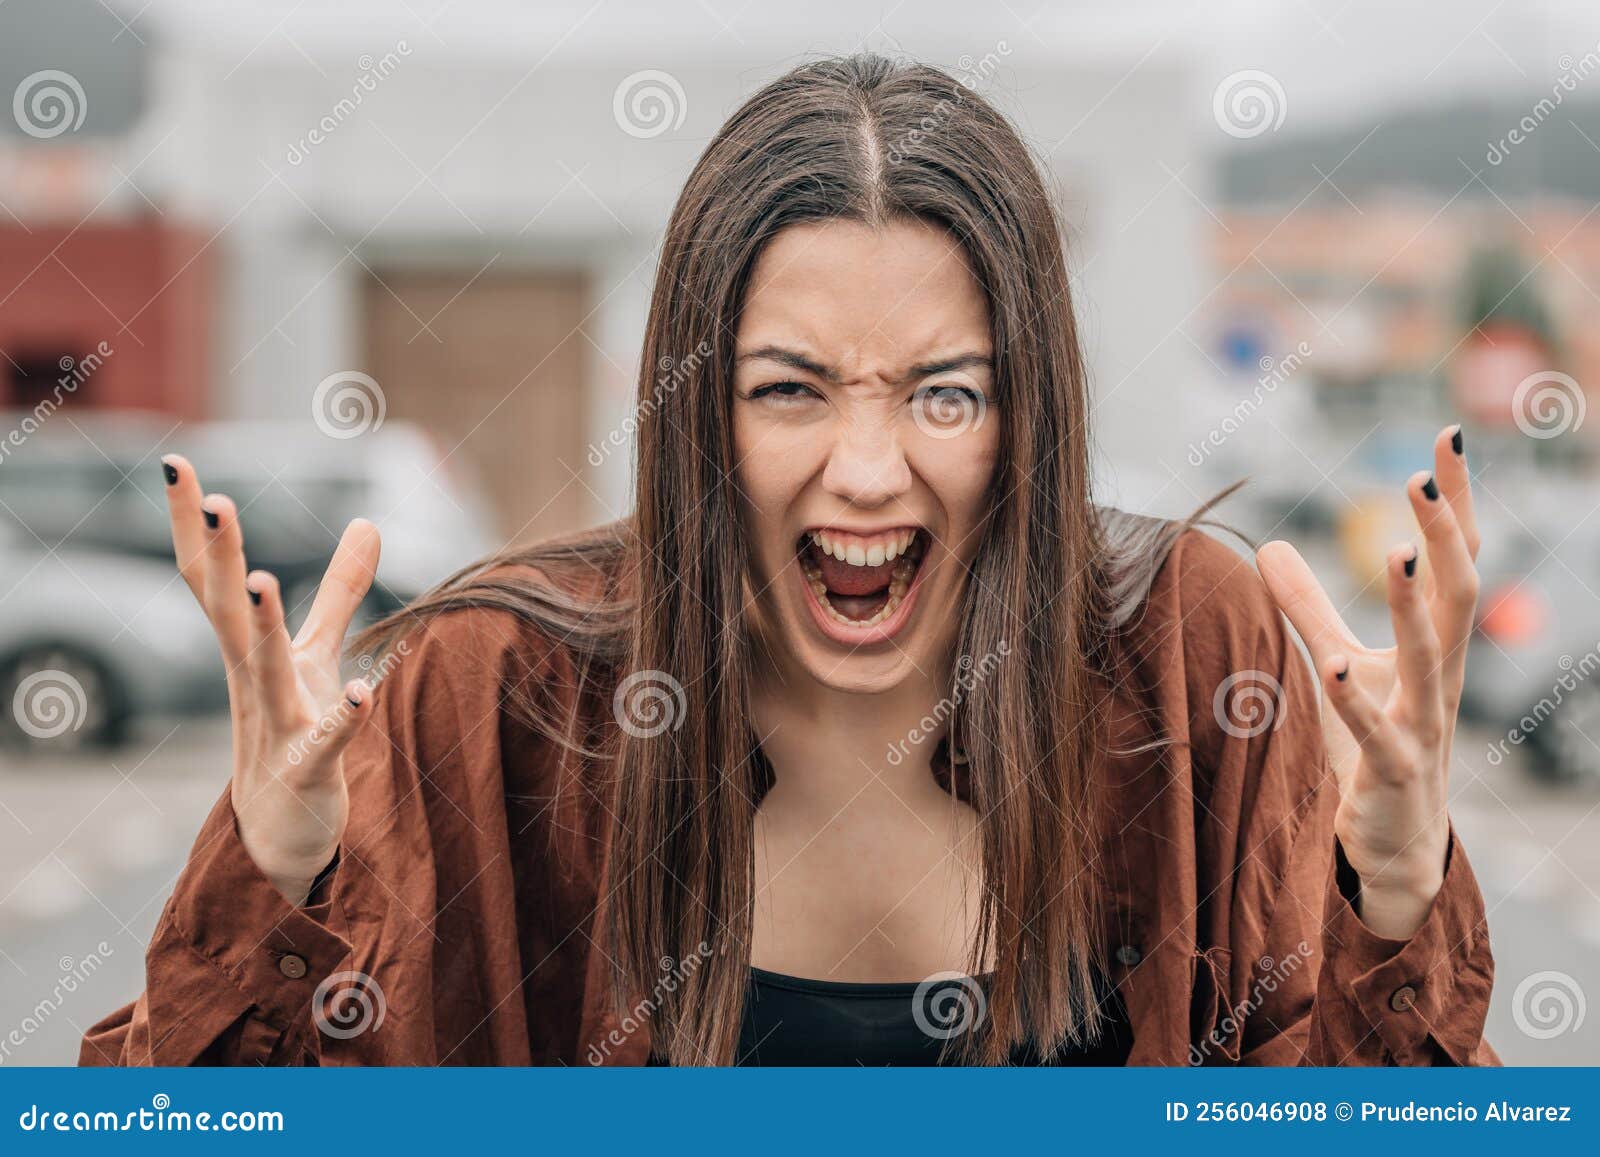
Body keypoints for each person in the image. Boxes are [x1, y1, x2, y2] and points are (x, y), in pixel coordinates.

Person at [80, 54, 1494, 1067]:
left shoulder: (1190, 653)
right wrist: (272, 881)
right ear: (696, 407)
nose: (869, 467)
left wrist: (1391, 894)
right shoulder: (498, 696)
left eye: (947, 390)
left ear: (1033, 414)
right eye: (789, 388)